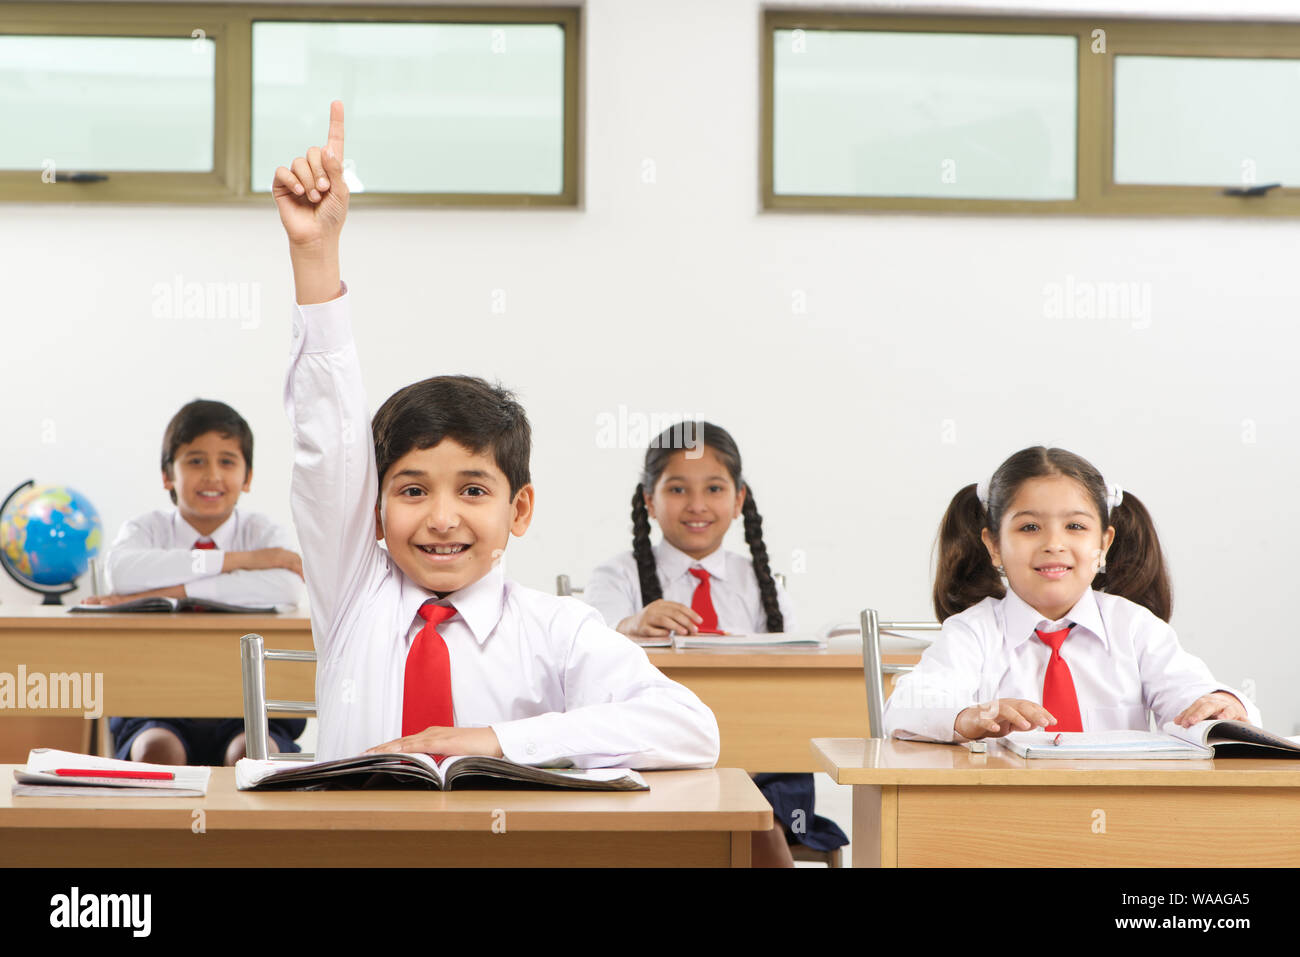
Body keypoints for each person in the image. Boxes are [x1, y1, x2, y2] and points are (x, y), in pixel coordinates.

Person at [272, 101, 719, 769]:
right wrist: (316, 255)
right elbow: (326, 435)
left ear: (520, 509)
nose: (441, 516)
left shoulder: (557, 631)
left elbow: (690, 729)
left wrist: (499, 742)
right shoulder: (353, 592)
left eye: (473, 489)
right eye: (413, 488)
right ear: (373, 510)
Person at [584, 421, 846, 867]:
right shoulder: (618, 576)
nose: (698, 505)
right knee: (740, 811)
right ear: (649, 499)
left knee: (757, 811)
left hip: (765, 761)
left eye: (714, 488)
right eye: (678, 490)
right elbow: (587, 649)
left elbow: (797, 672)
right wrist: (632, 623)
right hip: (658, 753)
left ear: (739, 499)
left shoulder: (760, 583)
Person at [884, 445, 1260, 743]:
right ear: (994, 545)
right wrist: (968, 717)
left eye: (1075, 526)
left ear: (1104, 543)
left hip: (1123, 817)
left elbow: (1187, 695)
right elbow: (908, 705)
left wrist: (1219, 706)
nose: (1054, 543)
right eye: (1029, 527)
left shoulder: (1134, 627)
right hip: (1005, 819)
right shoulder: (973, 632)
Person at [88, 399, 306, 765]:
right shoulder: (145, 529)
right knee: (156, 749)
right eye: (195, 461)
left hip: (247, 704)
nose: (212, 476)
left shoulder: (262, 530)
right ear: (167, 475)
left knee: (252, 753)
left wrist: (166, 592)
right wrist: (242, 561)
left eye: (227, 461)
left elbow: (286, 586)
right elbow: (122, 573)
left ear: (247, 477)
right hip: (154, 700)